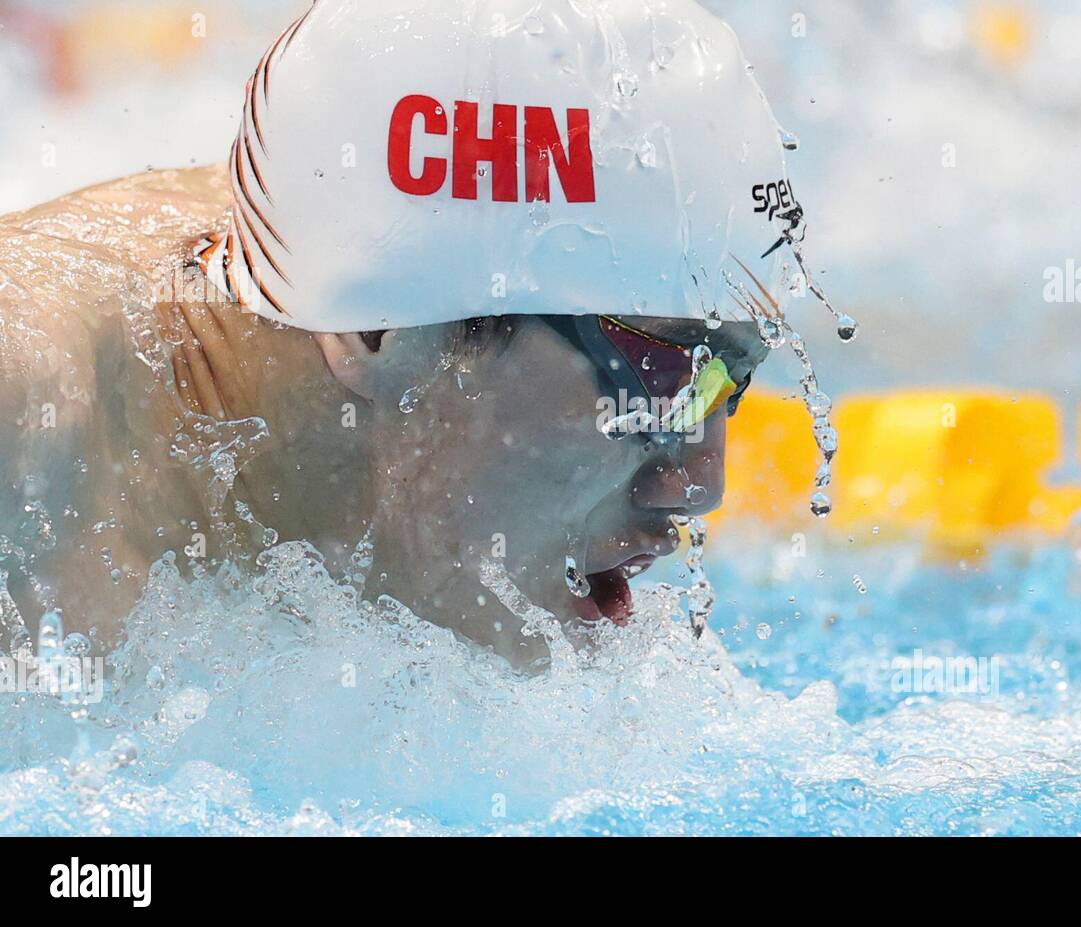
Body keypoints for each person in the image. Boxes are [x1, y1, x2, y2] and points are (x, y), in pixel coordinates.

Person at [0, 0, 800, 669]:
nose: (701, 483)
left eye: (732, 369)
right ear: (379, 331)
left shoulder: (359, 237)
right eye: (665, 373)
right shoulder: (33, 429)